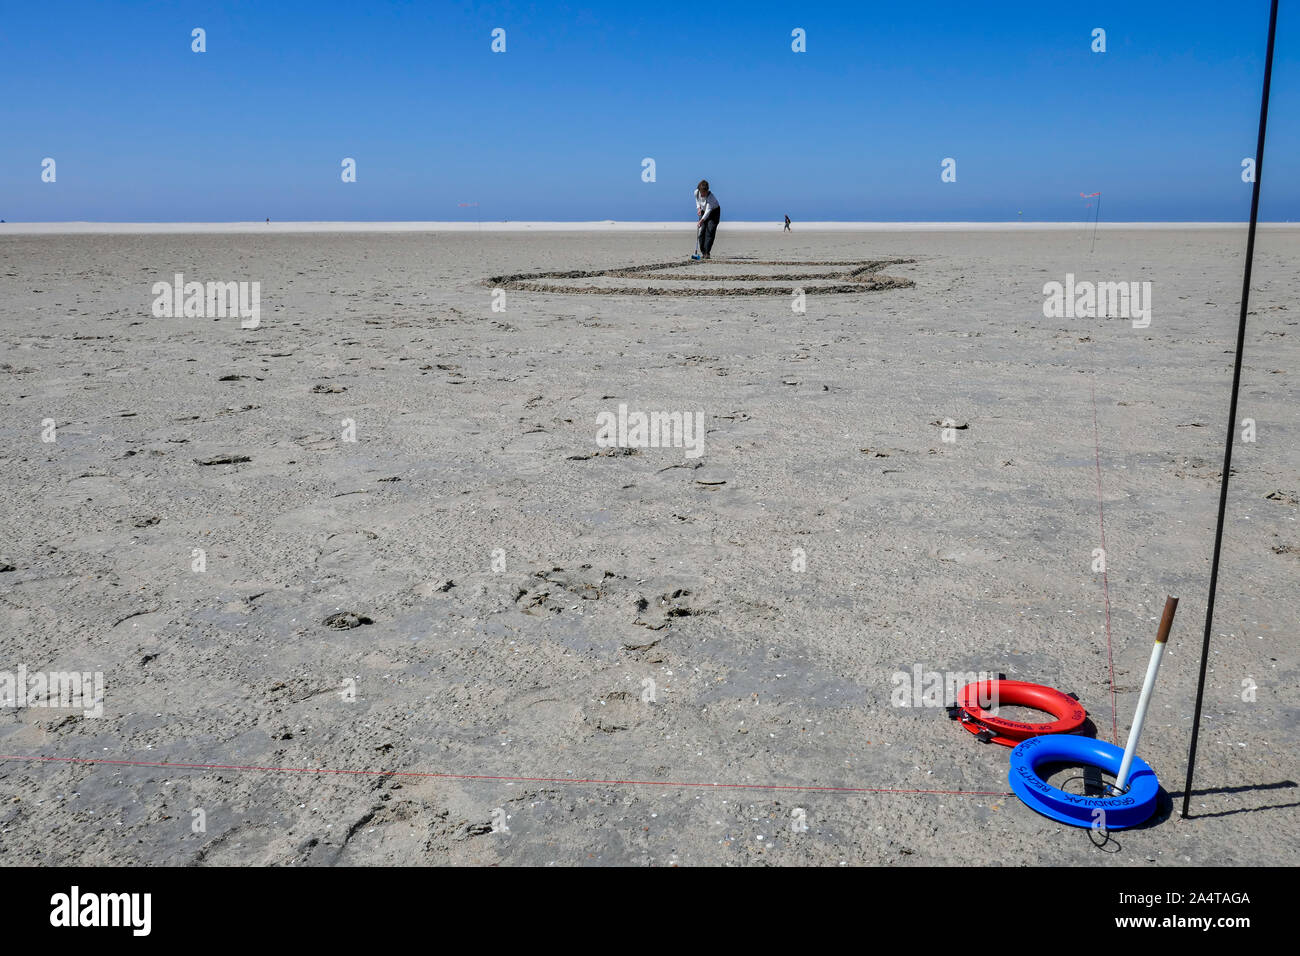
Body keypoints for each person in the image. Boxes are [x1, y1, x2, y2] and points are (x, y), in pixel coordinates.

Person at [693, 180, 721, 260]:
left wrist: (701, 221)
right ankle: (703, 252)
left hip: (714, 212)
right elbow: (697, 200)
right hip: (703, 210)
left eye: (704, 193)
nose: (702, 195)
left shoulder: (711, 197)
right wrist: (698, 208)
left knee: (710, 231)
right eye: (701, 192)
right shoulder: (696, 192)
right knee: (702, 233)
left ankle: (707, 253)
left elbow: (708, 211)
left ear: (707, 190)